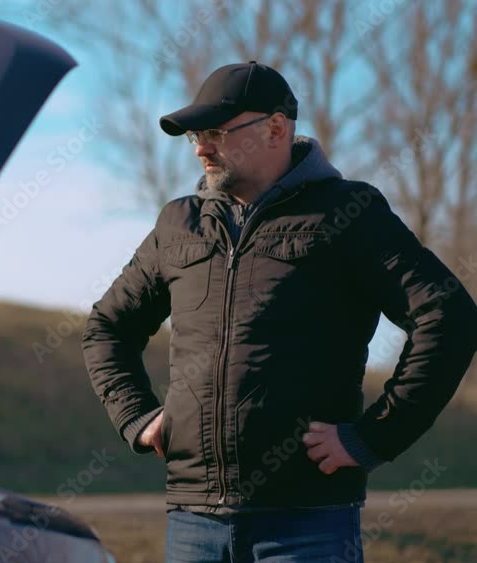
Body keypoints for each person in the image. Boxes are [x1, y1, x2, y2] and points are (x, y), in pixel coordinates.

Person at [81, 60, 477, 562]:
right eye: (195, 135)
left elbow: (448, 315)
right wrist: (137, 416)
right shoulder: (178, 224)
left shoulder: (346, 213)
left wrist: (374, 437)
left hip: (307, 524)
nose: (202, 147)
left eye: (217, 132)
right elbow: (106, 328)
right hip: (192, 522)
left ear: (275, 128)